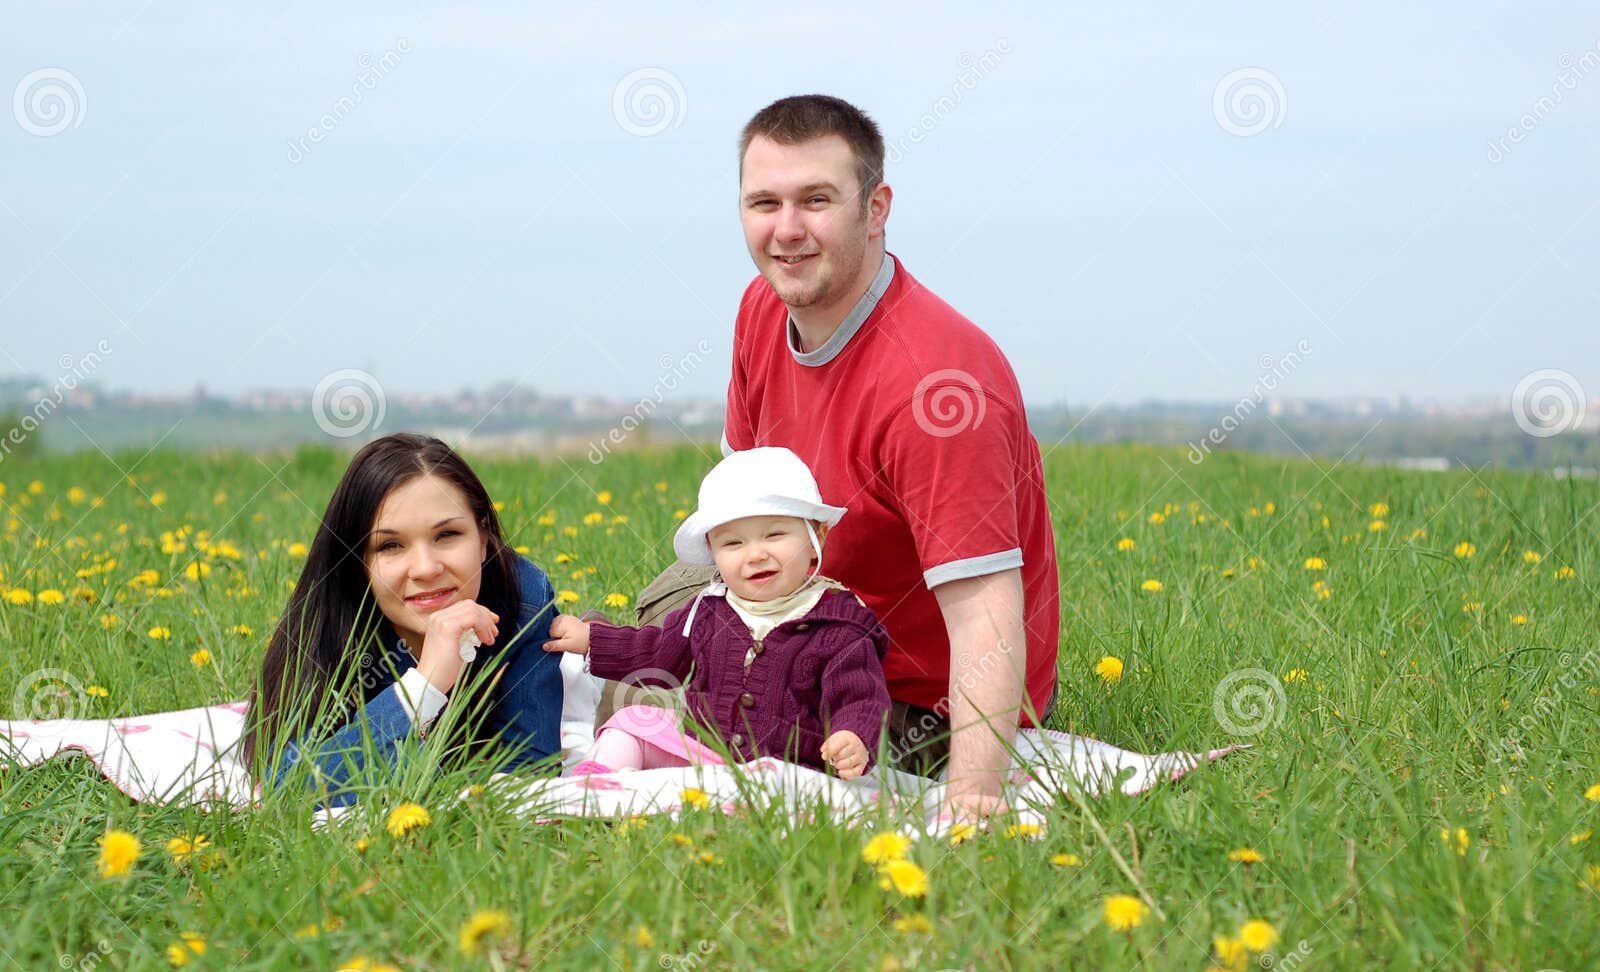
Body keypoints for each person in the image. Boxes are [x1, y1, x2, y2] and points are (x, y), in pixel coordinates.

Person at [613, 94, 1060, 815]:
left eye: (815, 200)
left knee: (665, 696)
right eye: (765, 202)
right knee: (666, 610)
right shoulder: (763, 308)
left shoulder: (940, 389)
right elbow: (742, 510)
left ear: (875, 207)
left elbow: (984, 615)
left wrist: (973, 803)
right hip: (801, 597)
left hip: (909, 691)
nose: (786, 231)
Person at [245, 433, 564, 805]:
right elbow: (287, 788)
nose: (426, 569)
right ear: (358, 561)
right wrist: (423, 688)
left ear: (482, 538)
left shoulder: (523, 599)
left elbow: (532, 771)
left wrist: (381, 773)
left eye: (447, 535)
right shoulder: (330, 618)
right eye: (390, 545)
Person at [546, 448, 891, 778]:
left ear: (818, 535)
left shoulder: (839, 624)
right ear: (712, 551)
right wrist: (593, 638)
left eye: (775, 535)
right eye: (733, 543)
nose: (755, 555)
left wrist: (853, 736)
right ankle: (596, 789)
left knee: (789, 789)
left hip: (790, 769)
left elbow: (860, 695)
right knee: (633, 720)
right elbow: (657, 651)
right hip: (703, 753)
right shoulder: (710, 609)